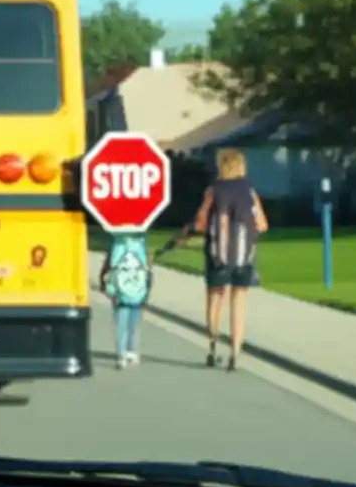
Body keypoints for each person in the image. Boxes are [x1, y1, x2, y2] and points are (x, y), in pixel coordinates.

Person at [160, 148, 269, 372]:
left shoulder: (213, 190)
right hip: (244, 255)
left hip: (216, 255)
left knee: (215, 300)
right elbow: (262, 224)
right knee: (238, 303)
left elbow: (200, 222)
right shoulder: (250, 191)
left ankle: (213, 347)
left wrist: (190, 231)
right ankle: (235, 353)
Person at [99, 229, 153, 370]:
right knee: (130, 323)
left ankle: (125, 352)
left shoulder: (120, 241)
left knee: (125, 323)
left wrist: (104, 279)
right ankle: (128, 351)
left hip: (126, 290)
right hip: (132, 288)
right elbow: (147, 263)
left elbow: (110, 261)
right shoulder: (137, 240)